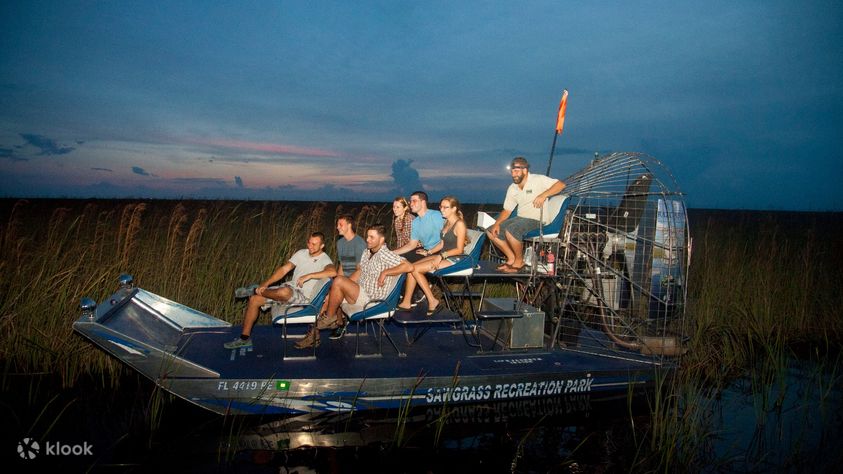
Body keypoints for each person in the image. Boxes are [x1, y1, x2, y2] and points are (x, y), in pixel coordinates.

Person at [295, 224, 404, 349]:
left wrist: (385, 273)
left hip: (371, 299)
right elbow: (360, 271)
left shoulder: (385, 254)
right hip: (360, 292)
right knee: (329, 293)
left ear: (381, 239)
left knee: (338, 281)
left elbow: (408, 266)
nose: (367, 239)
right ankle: (314, 335)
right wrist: (343, 285)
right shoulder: (367, 252)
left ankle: (330, 318)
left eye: (372, 237)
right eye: (367, 236)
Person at [224, 232, 335, 349]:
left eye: (314, 244)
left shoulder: (324, 259)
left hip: (303, 298)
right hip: (290, 289)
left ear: (322, 246)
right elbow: (284, 270)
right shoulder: (301, 253)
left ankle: (255, 290)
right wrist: (266, 283)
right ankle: (244, 338)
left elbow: (333, 272)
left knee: (284, 292)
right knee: (254, 300)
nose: (310, 246)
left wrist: (310, 275)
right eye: (309, 242)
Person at [487, 157, 566, 273]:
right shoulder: (512, 188)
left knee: (512, 230)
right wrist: (497, 223)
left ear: (525, 170)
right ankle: (511, 258)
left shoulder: (538, 179)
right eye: (512, 171)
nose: (513, 174)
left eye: (516, 171)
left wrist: (543, 195)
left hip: (537, 219)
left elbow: (561, 185)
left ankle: (519, 262)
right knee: (491, 231)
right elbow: (507, 210)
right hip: (520, 218)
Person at [394, 196, 468, 315]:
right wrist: (429, 252)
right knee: (411, 267)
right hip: (444, 255)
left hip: (455, 259)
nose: (442, 209)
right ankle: (407, 302)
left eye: (445, 207)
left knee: (416, 270)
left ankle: (432, 301)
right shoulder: (447, 222)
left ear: (454, 209)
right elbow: (442, 244)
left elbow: (460, 249)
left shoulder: (459, 224)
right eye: (441, 207)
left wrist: (441, 256)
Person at [392, 191, 444, 305]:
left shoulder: (435, 216)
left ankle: (414, 296)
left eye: (414, 201)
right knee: (397, 259)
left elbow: (446, 238)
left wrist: (430, 252)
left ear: (423, 202)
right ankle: (400, 295)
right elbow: (412, 244)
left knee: (408, 265)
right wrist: (392, 253)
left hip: (438, 251)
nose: (411, 204)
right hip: (425, 250)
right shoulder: (416, 222)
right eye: (410, 201)